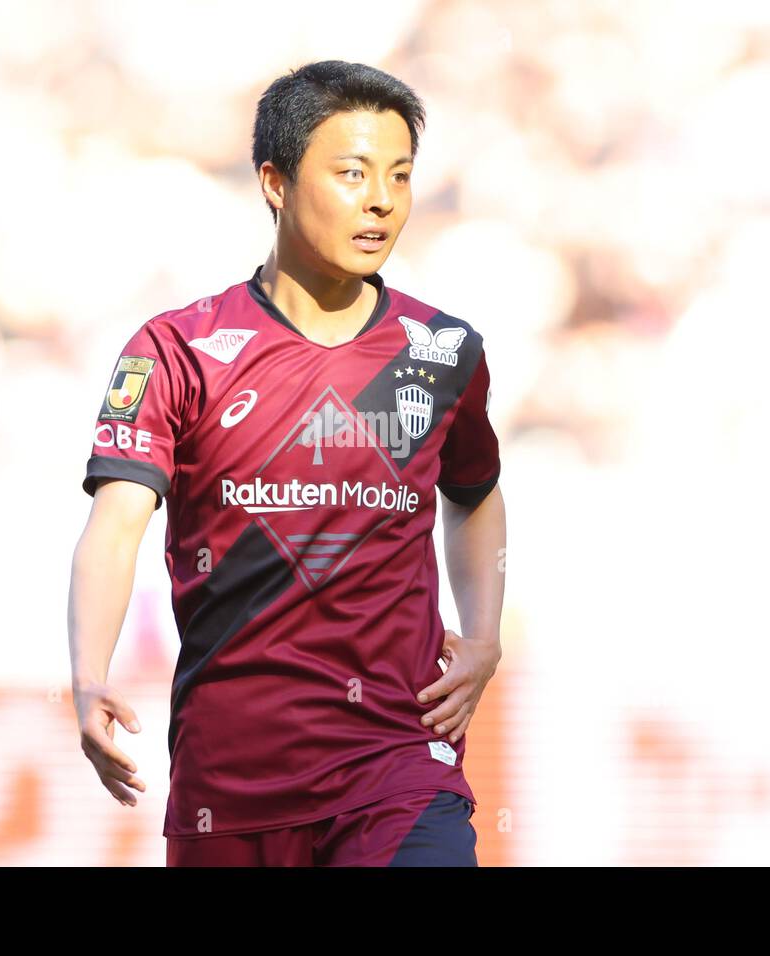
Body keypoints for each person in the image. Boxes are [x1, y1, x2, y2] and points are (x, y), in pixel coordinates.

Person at [67, 60, 506, 866]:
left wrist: (484, 636)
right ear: (275, 181)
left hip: (396, 768)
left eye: (400, 177)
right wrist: (89, 675)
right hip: (230, 787)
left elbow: (474, 492)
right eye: (353, 173)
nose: (382, 199)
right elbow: (115, 526)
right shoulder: (179, 351)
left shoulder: (438, 353)